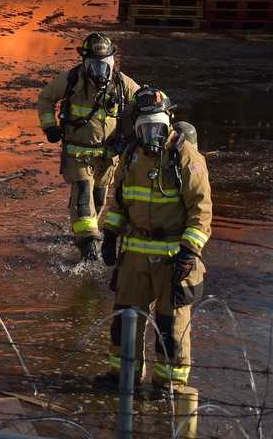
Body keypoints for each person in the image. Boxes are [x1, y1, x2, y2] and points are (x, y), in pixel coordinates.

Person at [98, 89, 212, 398]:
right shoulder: (132, 156)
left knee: (170, 325)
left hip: (174, 258)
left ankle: (169, 385)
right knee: (125, 319)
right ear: (136, 127)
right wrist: (110, 234)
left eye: (157, 128)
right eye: (145, 128)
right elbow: (120, 202)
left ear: (169, 123)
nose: (151, 135)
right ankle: (123, 376)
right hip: (135, 253)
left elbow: (201, 210)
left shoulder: (186, 157)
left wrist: (190, 252)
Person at [35, 33, 143, 261]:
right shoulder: (73, 79)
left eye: (104, 64)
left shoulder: (123, 84)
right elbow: (45, 98)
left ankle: (86, 231)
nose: (99, 70)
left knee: (99, 199)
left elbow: (143, 102)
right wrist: (50, 127)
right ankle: (88, 246)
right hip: (77, 155)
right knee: (83, 195)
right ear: (85, 62)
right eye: (94, 64)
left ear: (112, 61)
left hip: (107, 157)